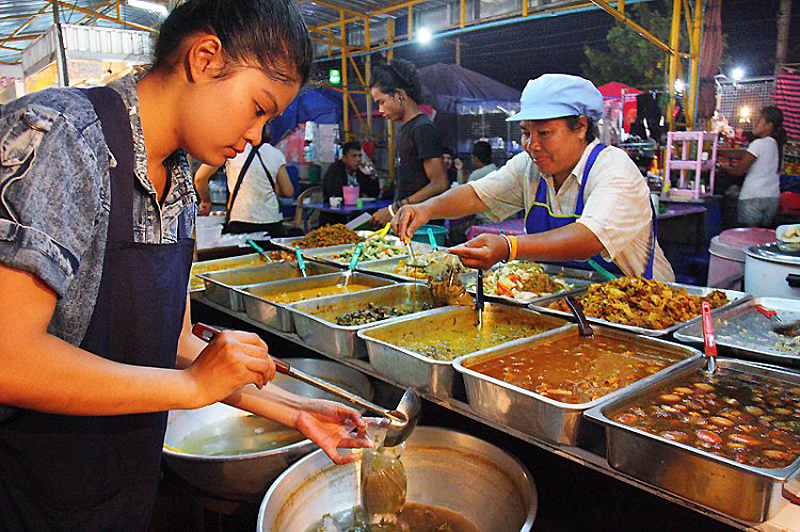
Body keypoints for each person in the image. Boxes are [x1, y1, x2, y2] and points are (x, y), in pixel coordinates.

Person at [0, 1, 370, 530]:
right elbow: (7, 358)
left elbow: (174, 344)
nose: (257, 135)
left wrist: (297, 412)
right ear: (203, 58)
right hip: (26, 490)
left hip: (121, 482)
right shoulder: (61, 138)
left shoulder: (178, 183)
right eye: (258, 106)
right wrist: (193, 388)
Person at [393, 74, 674, 281]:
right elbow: (477, 194)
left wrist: (509, 247)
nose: (532, 144)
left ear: (580, 127)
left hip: (638, 306)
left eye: (544, 133)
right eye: (527, 133)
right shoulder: (531, 166)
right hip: (570, 302)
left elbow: (589, 238)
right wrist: (425, 208)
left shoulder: (613, 168)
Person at [369, 59, 449, 225]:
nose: (380, 110)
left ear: (399, 95)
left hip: (425, 228)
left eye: (381, 102)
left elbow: (440, 184)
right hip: (409, 224)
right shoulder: (406, 129)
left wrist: (394, 209)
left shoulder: (423, 129)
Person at [194, 136, 295, 235]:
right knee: (272, 252)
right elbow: (288, 192)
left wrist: (205, 200)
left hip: (241, 222)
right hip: (272, 224)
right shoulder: (275, 153)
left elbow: (200, 178)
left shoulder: (231, 150)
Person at [725, 106, 786, 227]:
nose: (754, 124)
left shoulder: (758, 144)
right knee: (763, 238)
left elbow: (738, 171)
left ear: (769, 125)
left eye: (758, 121)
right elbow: (745, 154)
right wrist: (720, 152)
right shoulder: (775, 145)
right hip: (772, 198)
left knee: (751, 238)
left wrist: (722, 166)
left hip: (753, 198)